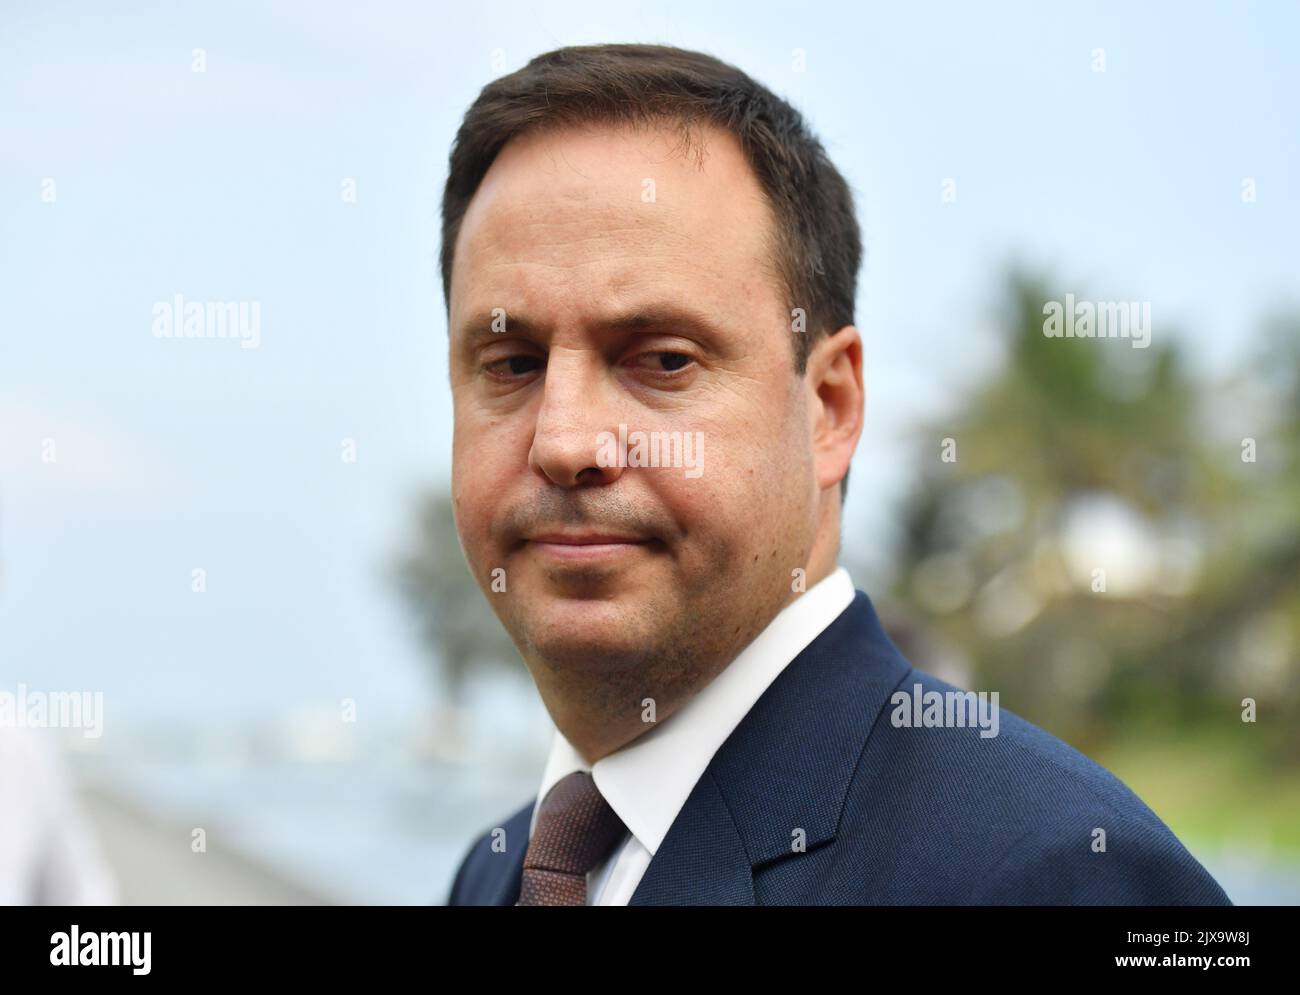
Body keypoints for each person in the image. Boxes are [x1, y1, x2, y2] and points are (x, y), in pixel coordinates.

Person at [439, 44, 1230, 905]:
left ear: (829, 408)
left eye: (661, 359)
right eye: (512, 363)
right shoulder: (502, 871)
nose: (564, 441)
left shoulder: (1058, 874)